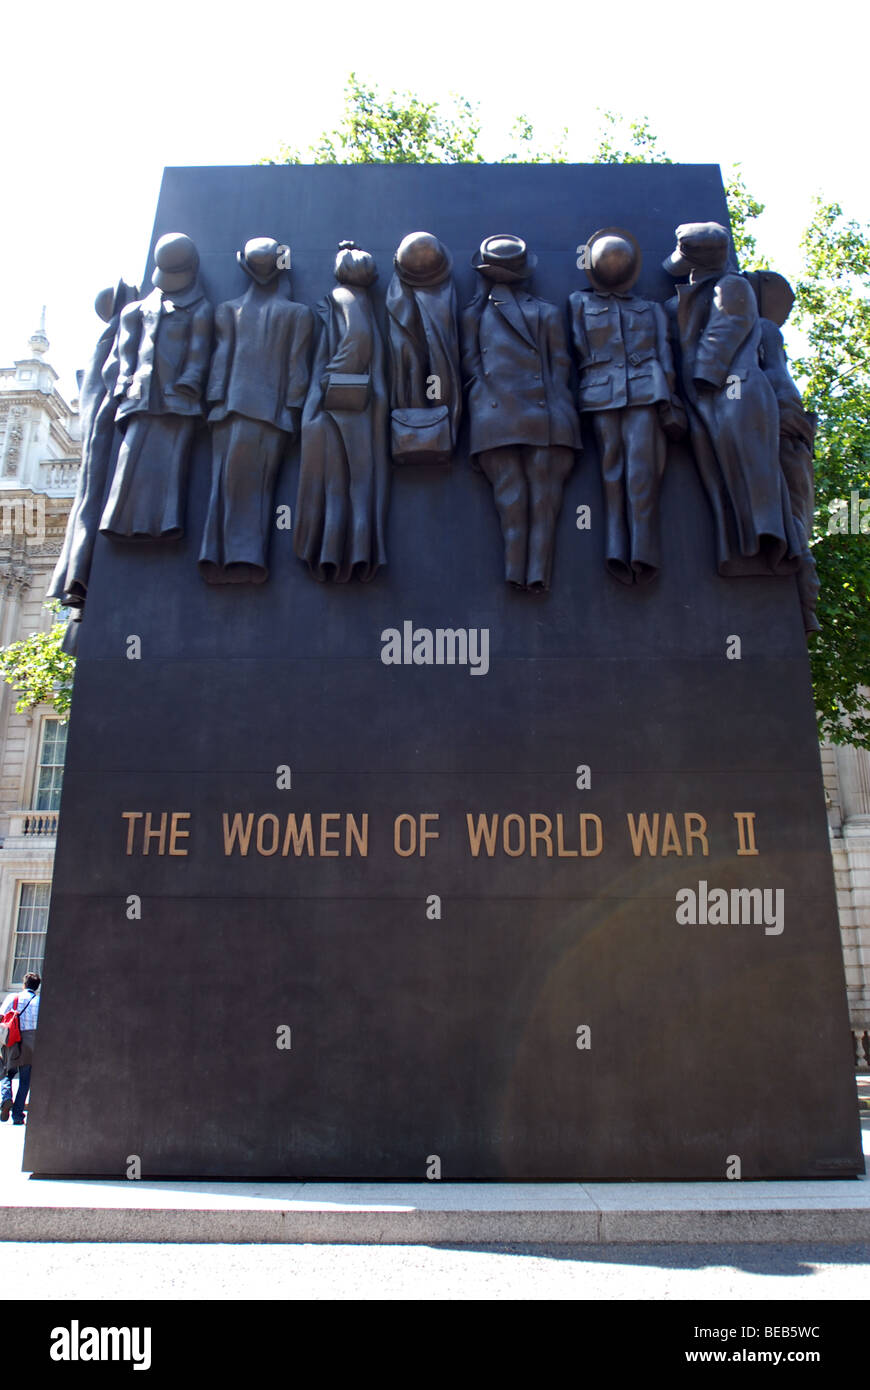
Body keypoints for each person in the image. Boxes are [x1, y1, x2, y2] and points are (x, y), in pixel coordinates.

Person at [0, 973, 40, 1125]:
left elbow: (1, 1015)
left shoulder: (13, 998)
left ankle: (6, 1098)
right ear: (37, 987)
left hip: (13, 1040)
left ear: (24, 984)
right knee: (25, 1081)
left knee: (6, 1073)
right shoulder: (39, 1001)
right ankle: (17, 1115)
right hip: (31, 1041)